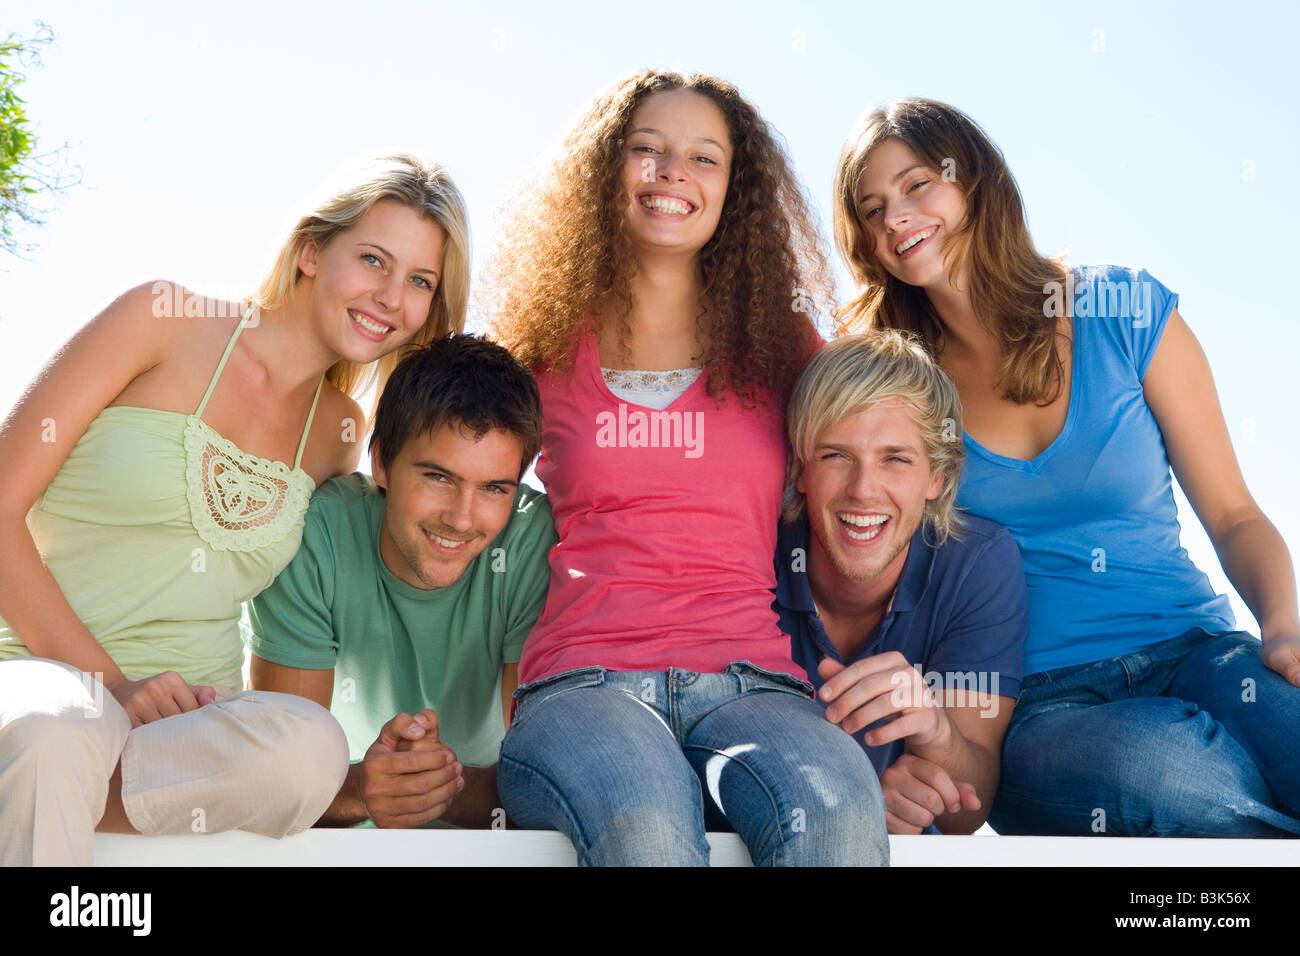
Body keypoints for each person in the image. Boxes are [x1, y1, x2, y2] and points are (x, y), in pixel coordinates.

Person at [832, 98, 1300, 836]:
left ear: (975, 183)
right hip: (1040, 710)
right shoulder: (898, 386)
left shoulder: (1124, 311)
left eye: (918, 185)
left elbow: (1236, 515)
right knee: (1176, 771)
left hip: (1197, 654)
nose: (895, 216)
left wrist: (1282, 630)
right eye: (872, 208)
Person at [0, 153, 472, 864]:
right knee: (56, 734)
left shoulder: (338, 434)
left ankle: (53, 789)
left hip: (185, 734)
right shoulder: (159, 321)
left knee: (311, 748)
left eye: (419, 282)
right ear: (311, 250)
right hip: (42, 679)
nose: (390, 297)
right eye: (373, 259)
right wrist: (113, 685)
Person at [484, 70, 888, 866]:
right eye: (648, 150)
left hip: (752, 687)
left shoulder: (787, 348)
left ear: (735, 190)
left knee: (837, 816)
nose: (674, 173)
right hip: (584, 687)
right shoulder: (539, 344)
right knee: (646, 825)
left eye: (704, 158)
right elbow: (453, 482)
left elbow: (865, 497)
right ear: (608, 173)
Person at [247, 334, 556, 829]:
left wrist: (441, 787)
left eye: (493, 488)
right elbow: (277, 772)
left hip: (485, 844)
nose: (461, 517)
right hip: (339, 846)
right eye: (438, 477)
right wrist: (363, 790)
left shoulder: (532, 545)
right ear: (382, 461)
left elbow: (547, 781)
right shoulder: (313, 534)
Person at [774, 330, 1025, 835]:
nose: (863, 490)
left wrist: (935, 735)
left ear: (937, 478)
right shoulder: (751, 554)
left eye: (896, 458)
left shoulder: (978, 565)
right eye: (835, 455)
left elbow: (971, 810)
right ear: (801, 469)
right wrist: (859, 793)